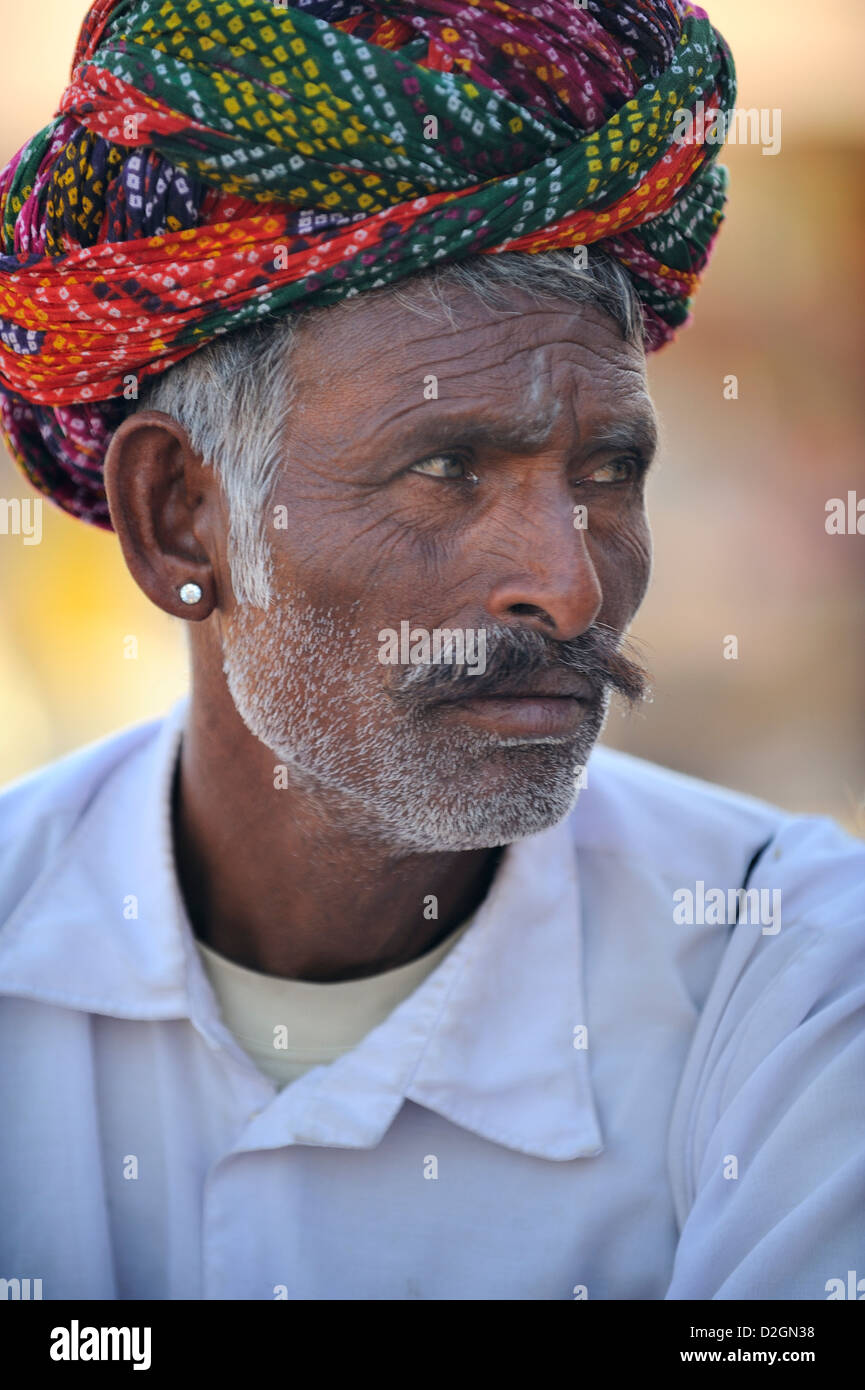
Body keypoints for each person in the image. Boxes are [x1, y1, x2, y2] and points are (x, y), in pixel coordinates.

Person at [0, 0, 861, 1302]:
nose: (568, 589)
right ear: (180, 517)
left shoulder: (788, 969)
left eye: (608, 469)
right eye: (447, 468)